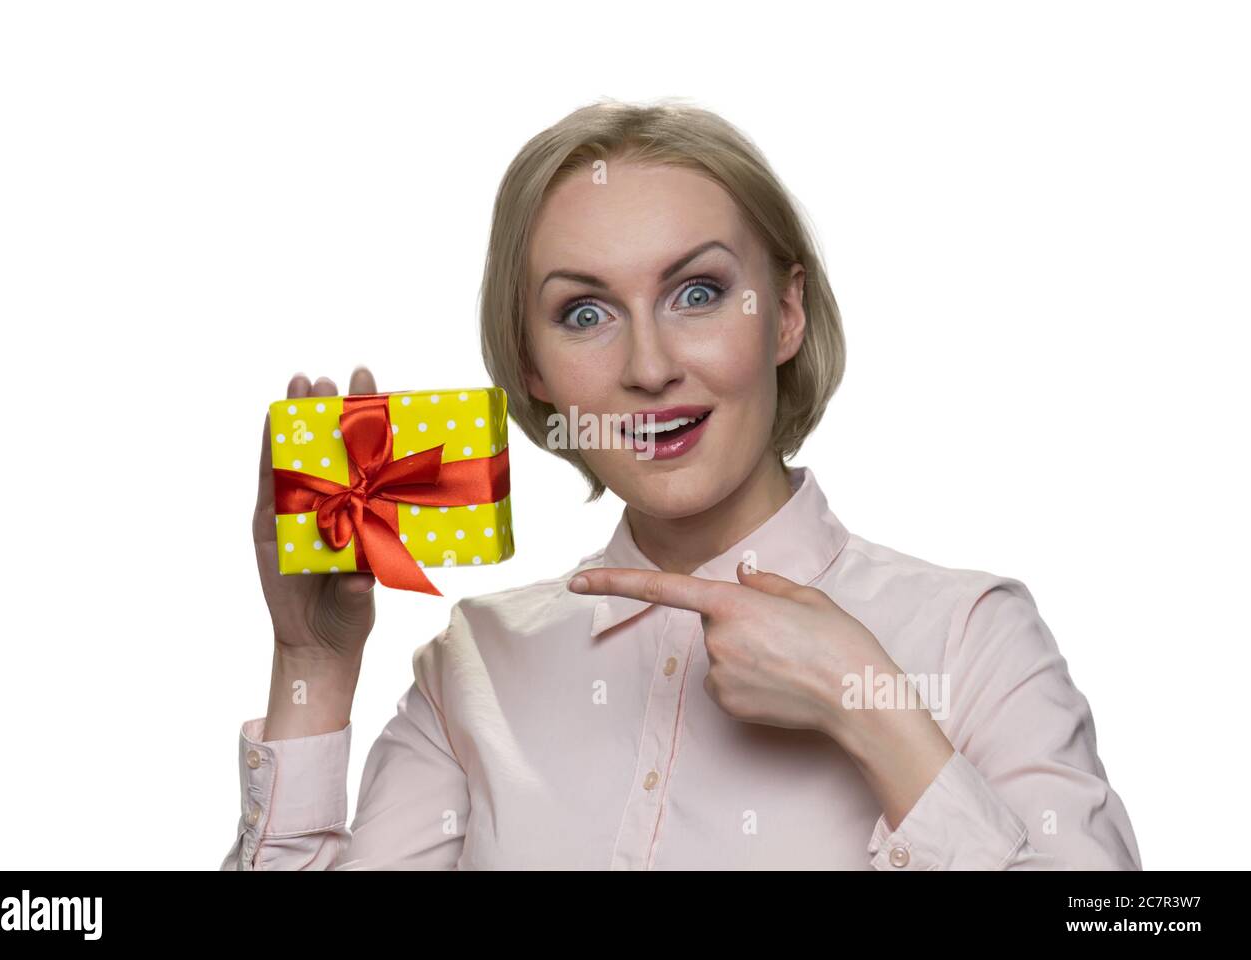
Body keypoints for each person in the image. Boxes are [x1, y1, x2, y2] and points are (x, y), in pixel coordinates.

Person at [222, 99, 1141, 870]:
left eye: (697, 293)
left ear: (784, 312)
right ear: (533, 370)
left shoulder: (972, 636)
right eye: (585, 313)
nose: (651, 367)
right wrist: (312, 665)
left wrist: (870, 706)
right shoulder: (477, 667)